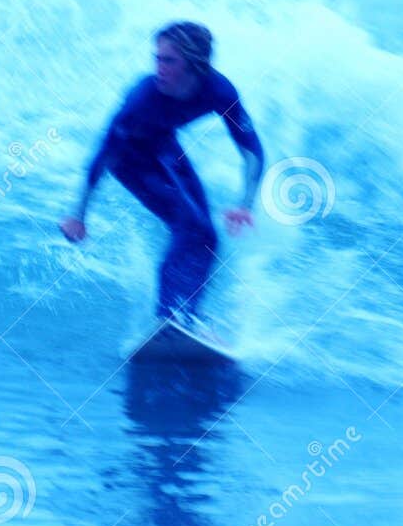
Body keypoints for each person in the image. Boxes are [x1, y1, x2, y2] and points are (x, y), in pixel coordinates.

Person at [59, 22, 264, 325]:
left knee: (207, 236)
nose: (159, 68)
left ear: (195, 65)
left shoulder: (219, 91)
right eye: (157, 58)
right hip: (128, 160)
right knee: (190, 226)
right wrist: (79, 215)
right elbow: (104, 154)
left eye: (168, 60)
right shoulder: (143, 99)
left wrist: (245, 205)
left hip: (166, 148)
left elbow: (251, 148)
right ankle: (170, 315)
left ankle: (186, 316)